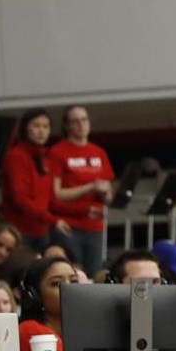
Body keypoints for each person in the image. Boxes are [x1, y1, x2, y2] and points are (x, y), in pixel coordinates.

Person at [16, 256, 116, 351]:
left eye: (74, 282)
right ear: (35, 296)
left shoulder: (81, 330)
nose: (69, 289)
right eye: (56, 283)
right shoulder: (29, 330)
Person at [49, 105, 114, 271]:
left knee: (95, 274)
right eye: (75, 121)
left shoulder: (99, 152)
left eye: (84, 120)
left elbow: (108, 196)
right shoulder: (57, 152)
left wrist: (106, 193)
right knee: (71, 272)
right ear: (66, 126)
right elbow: (56, 193)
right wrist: (90, 187)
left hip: (95, 224)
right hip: (69, 224)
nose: (81, 125)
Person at [0, 108, 59, 247]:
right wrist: (52, 219)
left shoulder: (46, 156)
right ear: (26, 129)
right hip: (18, 229)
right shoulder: (16, 156)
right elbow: (20, 199)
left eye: (45, 126)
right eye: (36, 126)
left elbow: (51, 197)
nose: (41, 131)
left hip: (41, 230)